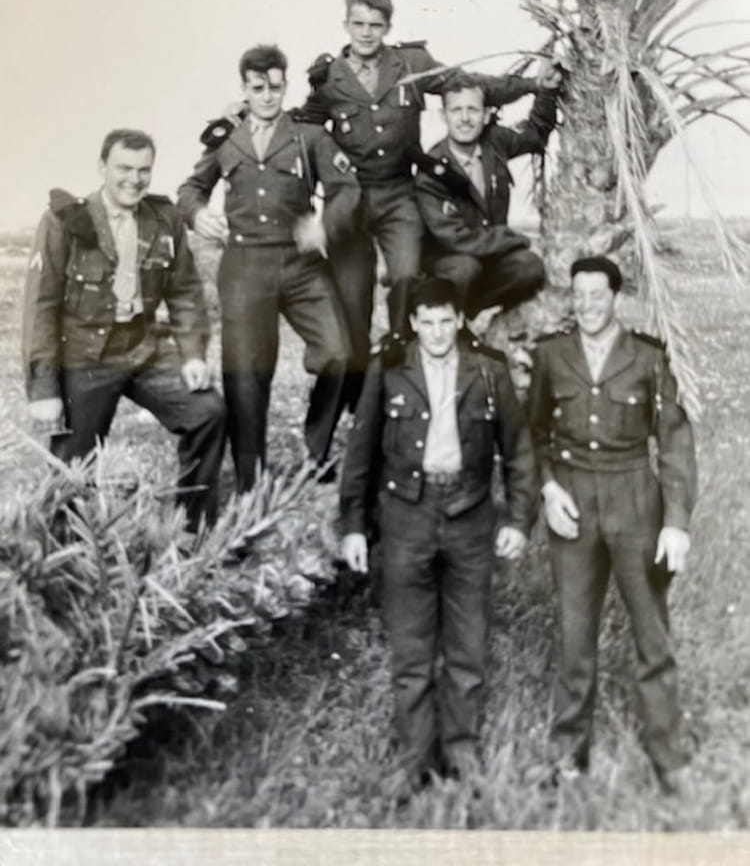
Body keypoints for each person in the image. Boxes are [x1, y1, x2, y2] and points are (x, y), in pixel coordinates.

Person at [292, 0, 546, 411]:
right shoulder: (329, 79)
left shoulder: (410, 63)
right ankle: (358, 404)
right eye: (359, 24)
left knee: (408, 277)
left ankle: (403, 362)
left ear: (388, 27)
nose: (367, 33)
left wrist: (531, 86)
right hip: (350, 201)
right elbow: (300, 127)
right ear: (346, 24)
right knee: (353, 305)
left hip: (397, 195)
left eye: (376, 25)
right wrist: (244, 116)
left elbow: (469, 85)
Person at [339, 276, 538, 787]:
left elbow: (518, 452)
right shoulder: (388, 370)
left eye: (445, 320)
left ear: (460, 320)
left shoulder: (488, 372)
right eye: (425, 322)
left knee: (468, 643)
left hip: (470, 513)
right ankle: (413, 756)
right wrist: (354, 527)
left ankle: (461, 750)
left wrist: (518, 518)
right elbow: (360, 453)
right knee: (411, 645)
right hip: (407, 515)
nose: (435, 332)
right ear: (412, 324)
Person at [526, 256, 697, 792]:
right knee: (576, 638)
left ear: (615, 296)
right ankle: (567, 758)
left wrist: (675, 522)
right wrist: (548, 489)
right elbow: (530, 437)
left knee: (652, 636)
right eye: (578, 295)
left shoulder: (648, 356)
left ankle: (667, 760)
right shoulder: (551, 355)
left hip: (634, 502)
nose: (587, 305)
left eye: (597, 295)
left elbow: (673, 441)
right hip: (572, 506)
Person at [22, 129, 226, 530]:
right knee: (72, 469)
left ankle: (192, 536)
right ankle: (65, 556)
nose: (134, 180)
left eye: (143, 171)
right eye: (124, 169)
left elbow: (184, 291)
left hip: (144, 349)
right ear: (102, 168)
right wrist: (44, 390)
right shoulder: (65, 221)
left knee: (207, 412)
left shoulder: (163, 218)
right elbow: (40, 308)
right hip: (84, 356)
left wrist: (193, 354)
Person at [177, 44, 360, 491]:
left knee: (339, 353)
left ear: (285, 86)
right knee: (245, 375)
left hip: (301, 265)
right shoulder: (227, 139)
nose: (266, 96)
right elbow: (190, 188)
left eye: (275, 88)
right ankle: (249, 479)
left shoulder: (307, 136)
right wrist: (198, 215)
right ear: (244, 88)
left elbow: (348, 189)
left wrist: (324, 224)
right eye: (257, 88)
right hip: (244, 267)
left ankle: (316, 448)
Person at [413, 67, 561, 324]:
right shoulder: (432, 169)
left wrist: (546, 94)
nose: (465, 119)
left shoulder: (495, 142)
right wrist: (513, 238)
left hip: (488, 257)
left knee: (529, 267)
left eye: (473, 110)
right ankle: (450, 324)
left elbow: (535, 137)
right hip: (447, 263)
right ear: (443, 116)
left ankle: (471, 314)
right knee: (464, 268)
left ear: (486, 114)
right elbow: (455, 239)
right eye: (456, 110)